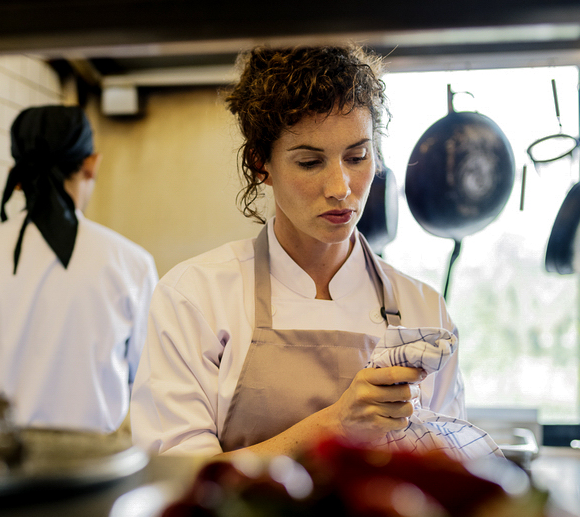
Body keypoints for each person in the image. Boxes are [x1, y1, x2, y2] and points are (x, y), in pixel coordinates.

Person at [129, 45, 491, 458]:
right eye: (309, 162)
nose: (341, 188)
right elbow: (178, 483)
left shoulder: (424, 310)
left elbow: (445, 472)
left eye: (358, 156)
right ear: (260, 163)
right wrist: (337, 424)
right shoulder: (195, 297)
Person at [0, 105, 159, 433]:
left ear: (17, 179)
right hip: (95, 475)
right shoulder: (132, 265)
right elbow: (153, 391)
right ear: (91, 165)